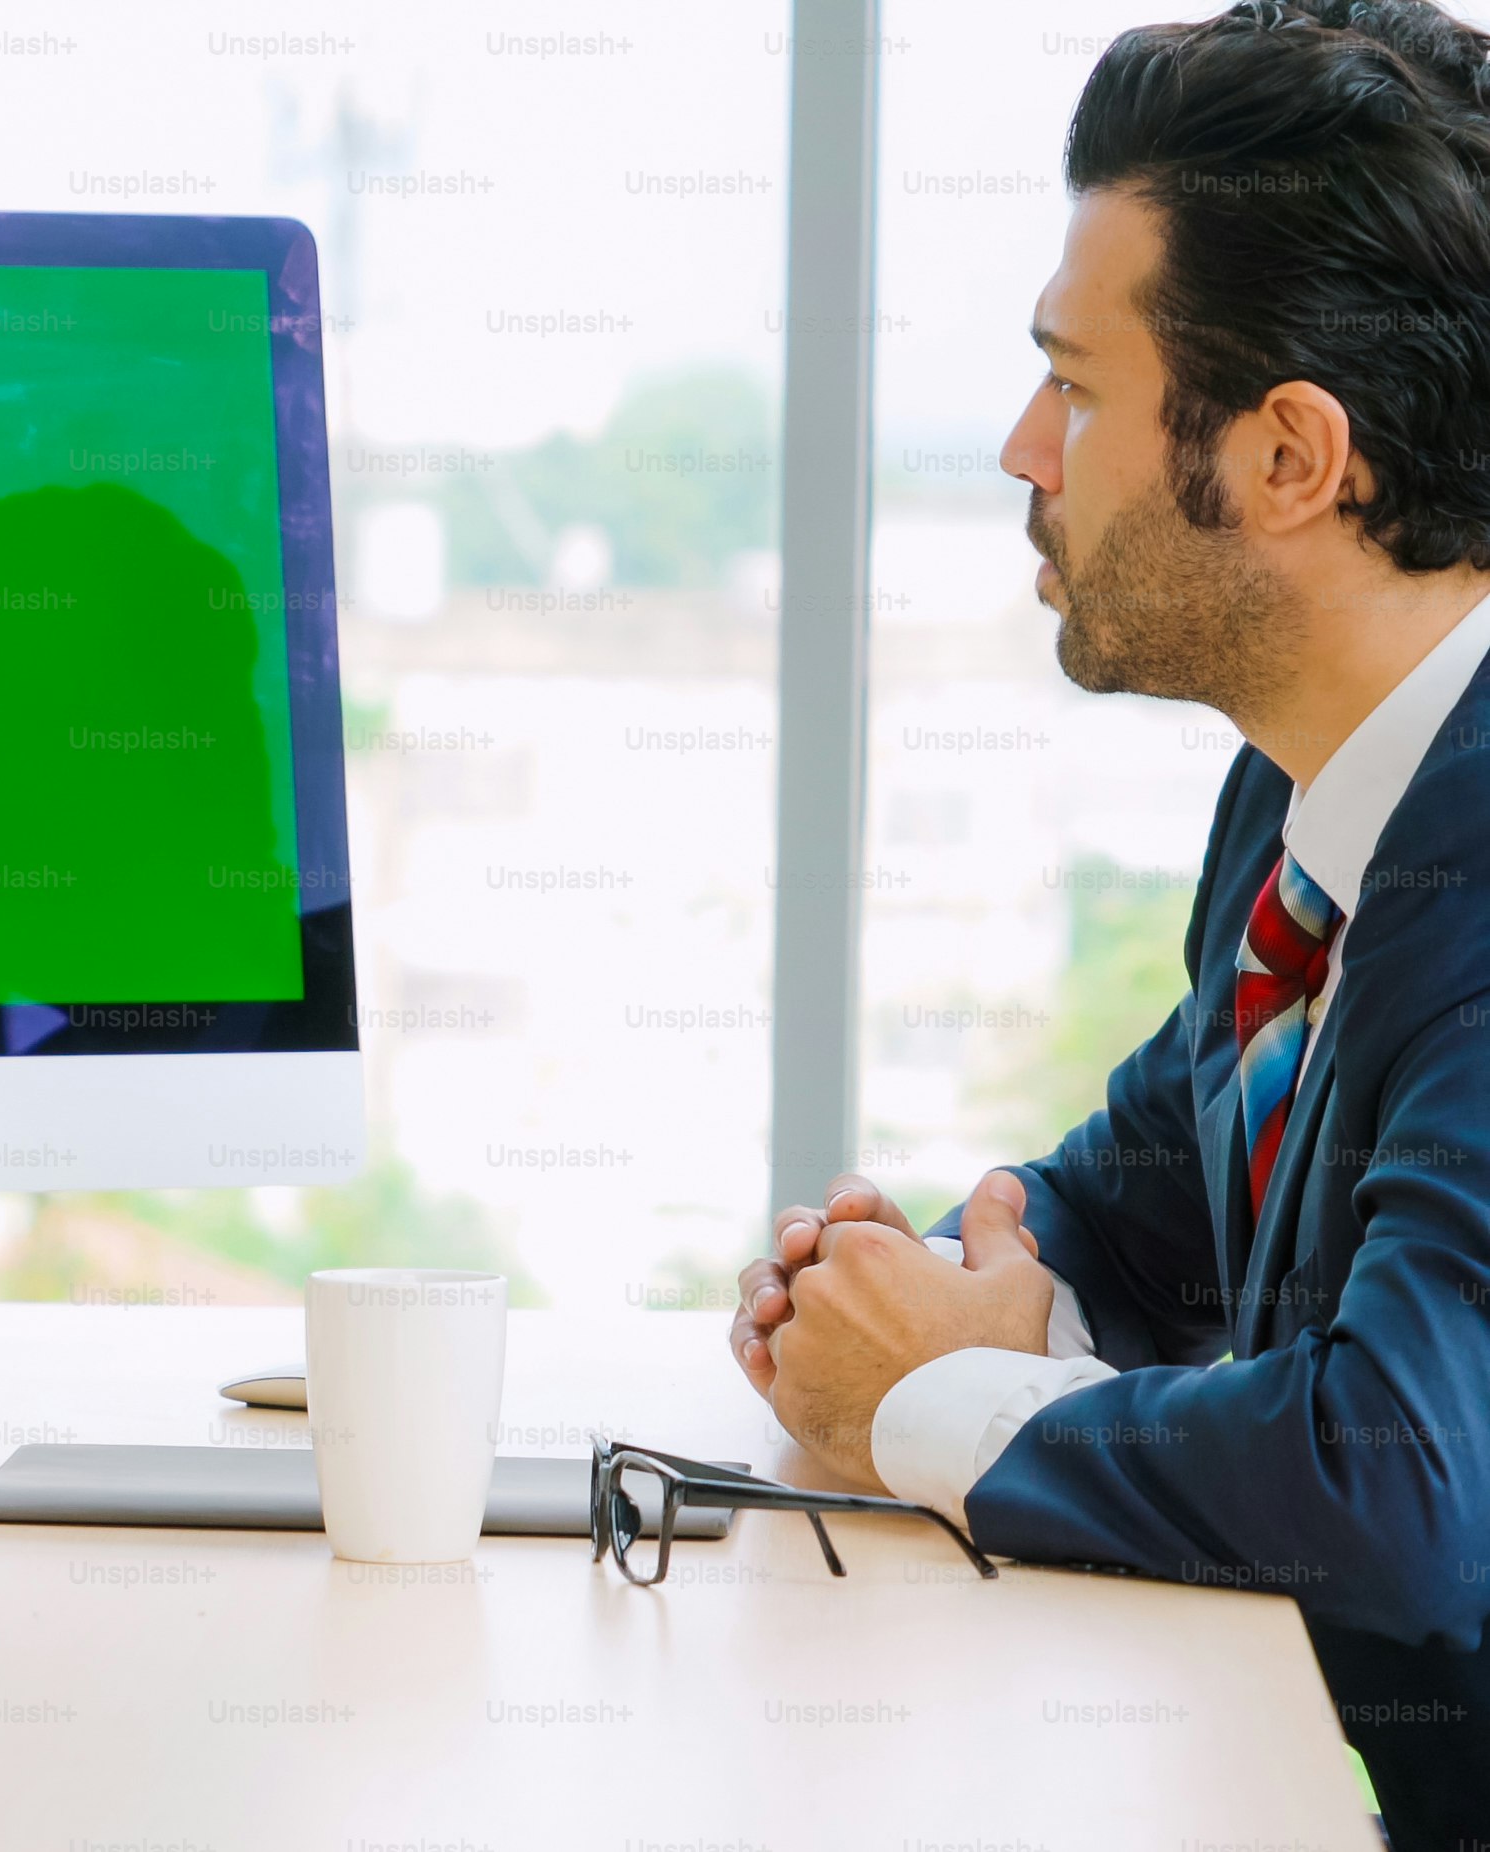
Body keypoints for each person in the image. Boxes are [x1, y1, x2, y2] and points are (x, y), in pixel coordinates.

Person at [731, 4, 1490, 1839]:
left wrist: (934, 1397)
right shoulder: (1312, 794)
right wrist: (896, 1289)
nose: (1019, 452)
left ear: (1290, 460)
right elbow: (1132, 1211)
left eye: (1074, 388)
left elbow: (1398, 1482)